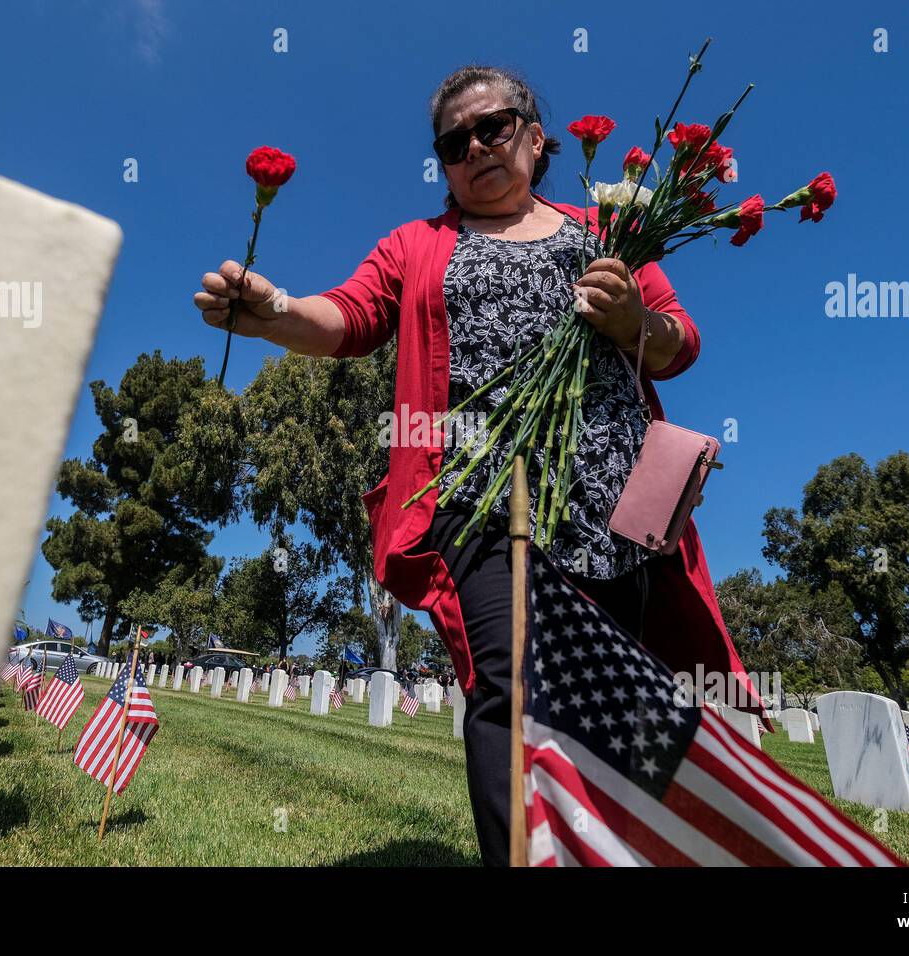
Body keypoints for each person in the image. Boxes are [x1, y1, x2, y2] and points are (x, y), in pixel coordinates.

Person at [194, 65, 762, 866]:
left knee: (613, 704)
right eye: (453, 142)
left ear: (535, 135)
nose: (475, 148)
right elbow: (351, 316)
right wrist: (277, 311)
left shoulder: (602, 229)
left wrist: (637, 320)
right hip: (481, 497)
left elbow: (679, 341)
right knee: (509, 682)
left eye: (492, 127)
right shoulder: (416, 244)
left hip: (614, 505)